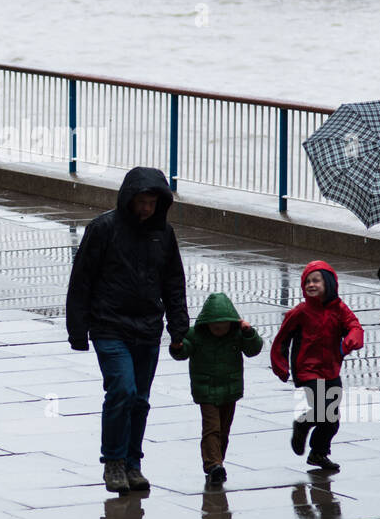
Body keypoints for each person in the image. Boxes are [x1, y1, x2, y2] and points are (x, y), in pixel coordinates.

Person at [66, 168, 189, 493]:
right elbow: (82, 280)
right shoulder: (103, 228)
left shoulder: (163, 234)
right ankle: (114, 463)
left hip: (148, 328)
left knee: (141, 400)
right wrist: (78, 331)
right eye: (141, 201)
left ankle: (133, 464)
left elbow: (174, 284)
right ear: (129, 199)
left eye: (152, 203)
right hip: (109, 326)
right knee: (122, 390)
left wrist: (180, 331)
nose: (146, 208)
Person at [270, 260, 363, 474]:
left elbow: (354, 326)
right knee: (322, 409)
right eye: (307, 282)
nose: (311, 285)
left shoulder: (339, 309)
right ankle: (302, 425)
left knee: (332, 419)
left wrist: (352, 339)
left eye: (316, 281)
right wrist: (281, 366)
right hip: (308, 369)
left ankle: (318, 453)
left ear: (328, 283)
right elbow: (281, 339)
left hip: (331, 368)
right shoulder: (300, 312)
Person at [169, 292, 263, 486]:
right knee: (212, 428)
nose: (218, 330)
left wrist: (249, 333)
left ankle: (217, 462)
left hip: (230, 390)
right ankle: (213, 465)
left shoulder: (237, 334)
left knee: (224, 430)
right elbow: (183, 351)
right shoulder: (195, 335)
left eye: (222, 326)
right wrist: (177, 346)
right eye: (215, 326)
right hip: (206, 391)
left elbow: (253, 349)